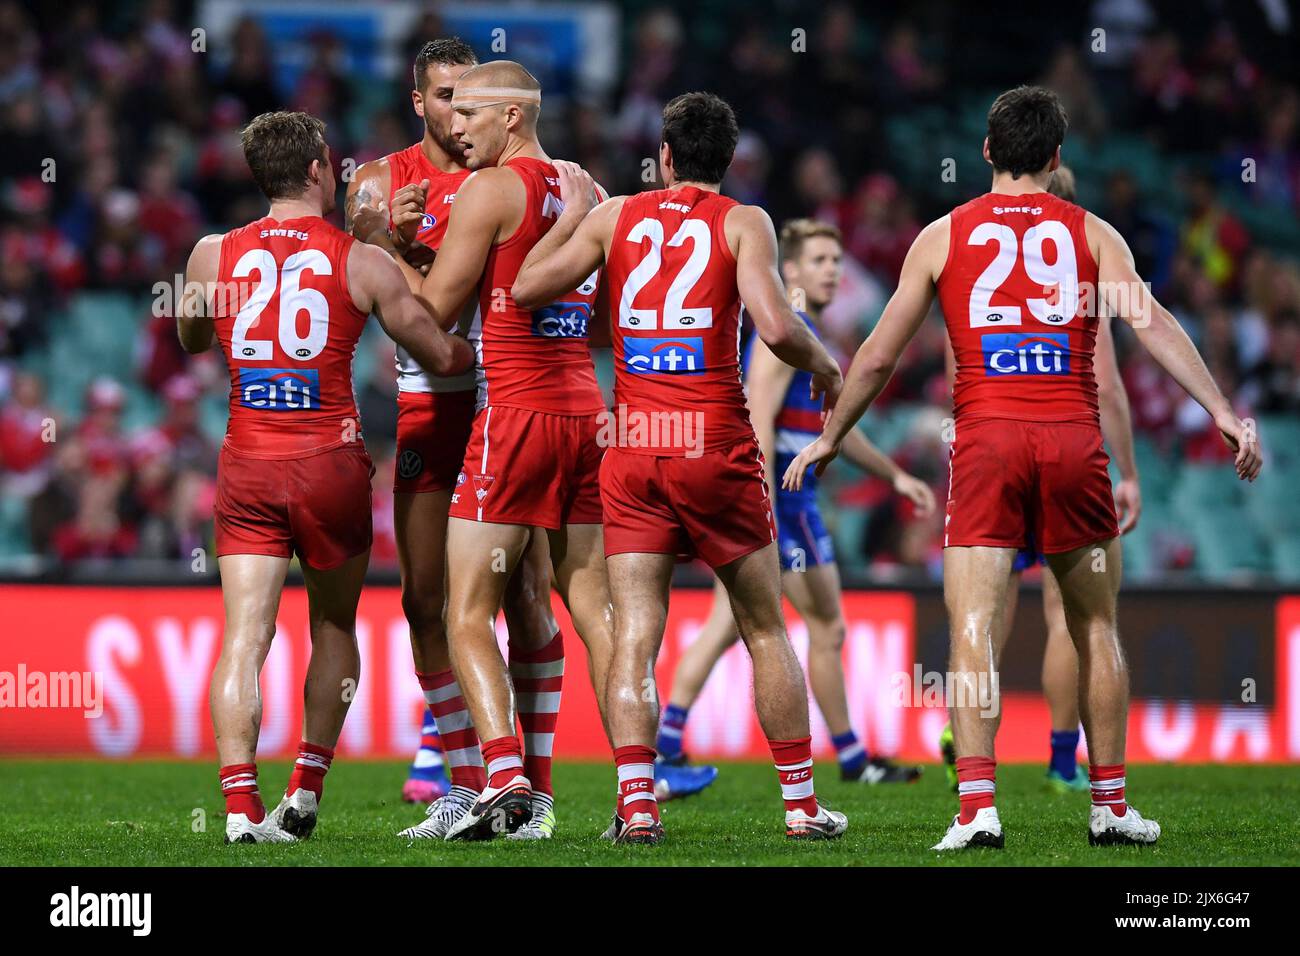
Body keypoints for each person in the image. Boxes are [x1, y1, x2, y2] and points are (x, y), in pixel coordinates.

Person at [783, 86, 1261, 851]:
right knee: (1097, 623)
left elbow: (875, 355)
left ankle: (977, 808)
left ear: (985, 153)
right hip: (1073, 440)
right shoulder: (1093, 233)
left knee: (972, 626)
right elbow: (1153, 324)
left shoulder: (942, 235)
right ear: (1057, 157)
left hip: (987, 441)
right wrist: (1220, 410)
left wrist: (831, 438)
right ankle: (1108, 806)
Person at [514, 92, 849, 844]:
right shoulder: (744, 220)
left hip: (633, 443)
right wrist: (826, 365)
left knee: (635, 632)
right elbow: (771, 322)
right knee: (765, 625)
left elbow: (528, 288)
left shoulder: (614, 217)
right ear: (727, 163)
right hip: (714, 442)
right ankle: (801, 808)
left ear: (663, 156)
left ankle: (637, 805)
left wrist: (573, 216)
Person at [179, 110, 472, 843]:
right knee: (334, 623)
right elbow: (438, 354)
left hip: (247, 461)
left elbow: (187, 337)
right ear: (318, 170)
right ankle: (304, 791)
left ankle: (242, 812)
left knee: (244, 636)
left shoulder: (212, 254)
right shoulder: (358, 258)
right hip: (329, 466)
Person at [345, 37, 565, 840]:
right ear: (419, 101)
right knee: (424, 601)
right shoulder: (376, 184)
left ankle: (530, 792)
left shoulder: (511, 178)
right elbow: (384, 305)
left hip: (507, 399)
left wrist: (405, 255)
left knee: (526, 595)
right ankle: (467, 787)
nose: (454, 113)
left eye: (466, 100)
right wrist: (390, 245)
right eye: (443, 97)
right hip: (429, 405)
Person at [657, 218, 933, 786]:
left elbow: (835, 429)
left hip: (783, 500)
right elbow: (756, 415)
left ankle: (667, 745)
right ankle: (851, 758)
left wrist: (893, 474)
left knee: (726, 625)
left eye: (837, 260)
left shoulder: (805, 335)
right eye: (820, 260)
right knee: (824, 628)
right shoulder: (782, 335)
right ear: (791, 272)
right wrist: (758, 503)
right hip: (780, 501)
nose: (833, 270)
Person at [937, 165, 1143, 795]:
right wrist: (1129, 473)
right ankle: (1062, 761)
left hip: (987, 443)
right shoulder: (1079, 264)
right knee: (1072, 617)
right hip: (1065, 448)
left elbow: (955, 375)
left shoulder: (967, 264)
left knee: (979, 614)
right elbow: (1105, 384)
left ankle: (971, 764)